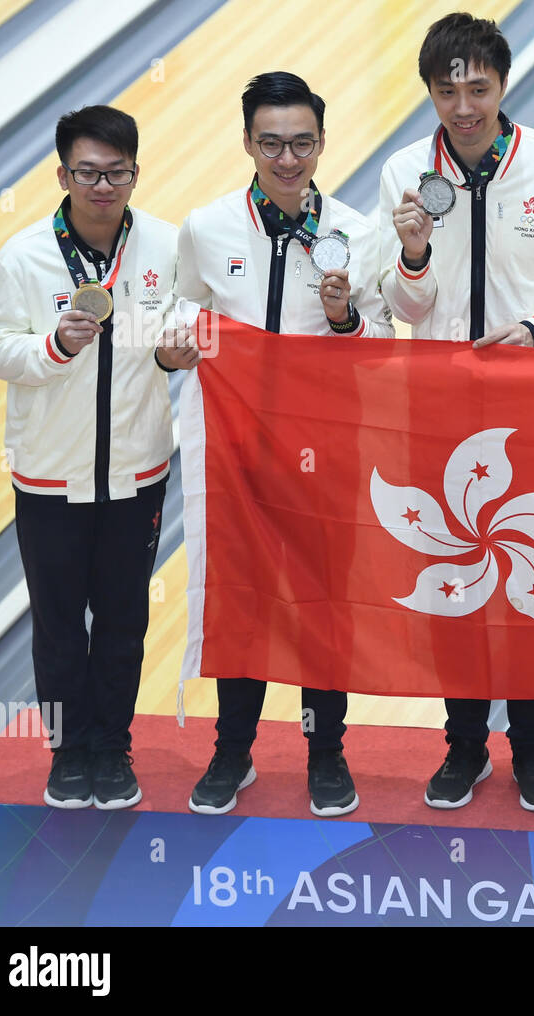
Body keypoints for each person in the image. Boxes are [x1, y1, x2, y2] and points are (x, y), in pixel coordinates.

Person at [379, 13, 534, 814]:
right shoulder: (406, 170)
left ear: (503, 86)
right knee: (457, 579)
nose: (463, 106)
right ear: (430, 92)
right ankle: (464, 744)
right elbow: (404, 303)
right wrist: (412, 254)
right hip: (440, 405)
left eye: (477, 88)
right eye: (446, 90)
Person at [178, 71, 394, 818]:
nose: (287, 157)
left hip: (325, 456)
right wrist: (171, 348)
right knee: (242, 603)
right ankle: (232, 750)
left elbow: (381, 345)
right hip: (236, 455)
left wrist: (343, 320)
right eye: (271, 142)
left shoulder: (359, 235)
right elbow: (178, 323)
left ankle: (325, 752)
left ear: (323, 144)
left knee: (322, 606)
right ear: (247, 143)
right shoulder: (206, 228)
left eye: (302, 142)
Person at [0, 105, 193, 809]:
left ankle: (113, 747)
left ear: (136, 172)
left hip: (138, 475)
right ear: (63, 173)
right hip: (48, 477)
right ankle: (68, 753)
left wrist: (172, 352)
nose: (103, 186)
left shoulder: (166, 248)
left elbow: (182, 336)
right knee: (60, 623)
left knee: (126, 622)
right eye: (88, 173)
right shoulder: (23, 256)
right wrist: (54, 347)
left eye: (117, 172)